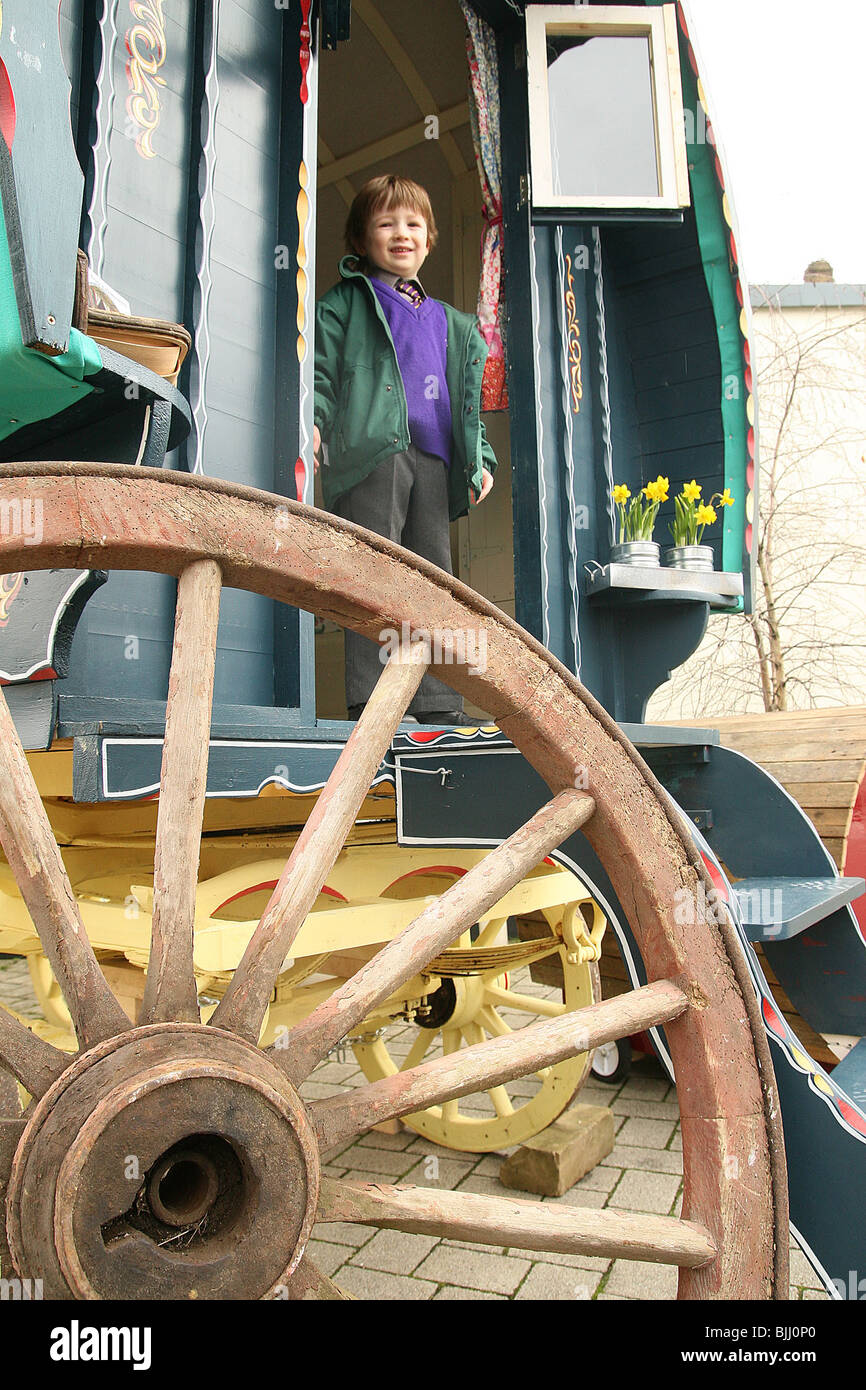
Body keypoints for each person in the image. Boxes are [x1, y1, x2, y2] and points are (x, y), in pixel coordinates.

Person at [314, 174, 498, 724]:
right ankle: (371, 701)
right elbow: (320, 373)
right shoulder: (349, 302)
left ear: (430, 236)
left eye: (413, 224)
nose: (401, 234)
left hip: (435, 459)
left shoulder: (448, 321)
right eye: (385, 223)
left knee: (435, 579)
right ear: (362, 238)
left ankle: (438, 703)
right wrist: (316, 423)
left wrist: (480, 456)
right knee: (374, 571)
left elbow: (464, 404)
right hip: (375, 453)